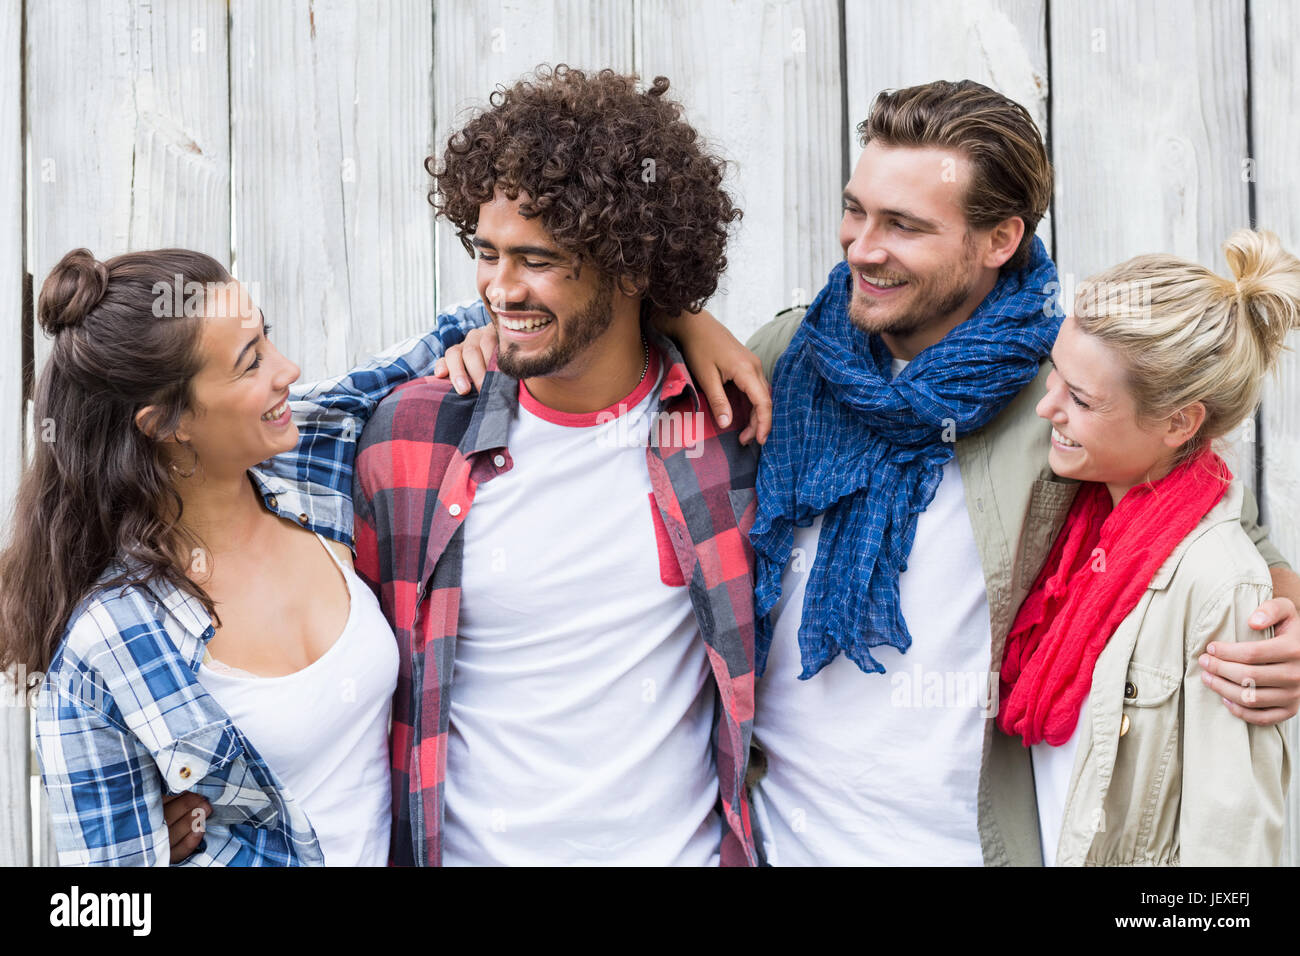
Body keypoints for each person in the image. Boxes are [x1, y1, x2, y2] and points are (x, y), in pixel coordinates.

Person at [439, 78, 1300, 865]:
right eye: (857, 211)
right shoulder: (784, 359)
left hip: (972, 843)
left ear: (1001, 239)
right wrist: (671, 316)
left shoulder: (1066, 395)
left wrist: (1289, 621)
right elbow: (589, 332)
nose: (862, 247)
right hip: (773, 843)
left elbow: (1219, 541)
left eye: (906, 227)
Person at [4, 247, 767, 866]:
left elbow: (539, 303)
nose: (287, 370)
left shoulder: (318, 460)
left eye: (266, 337)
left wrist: (685, 318)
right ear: (167, 423)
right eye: (249, 362)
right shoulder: (105, 649)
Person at [333, 64, 762, 865]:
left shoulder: (725, 431)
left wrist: (689, 319)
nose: (500, 288)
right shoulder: (410, 439)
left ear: (634, 266)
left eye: (536, 259)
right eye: (487, 253)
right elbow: (262, 444)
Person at [1000, 230, 1296, 865]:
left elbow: (1231, 859)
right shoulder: (1078, 525)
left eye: (1080, 399)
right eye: (1056, 378)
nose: (1046, 407)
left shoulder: (1221, 584)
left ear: (1179, 422)